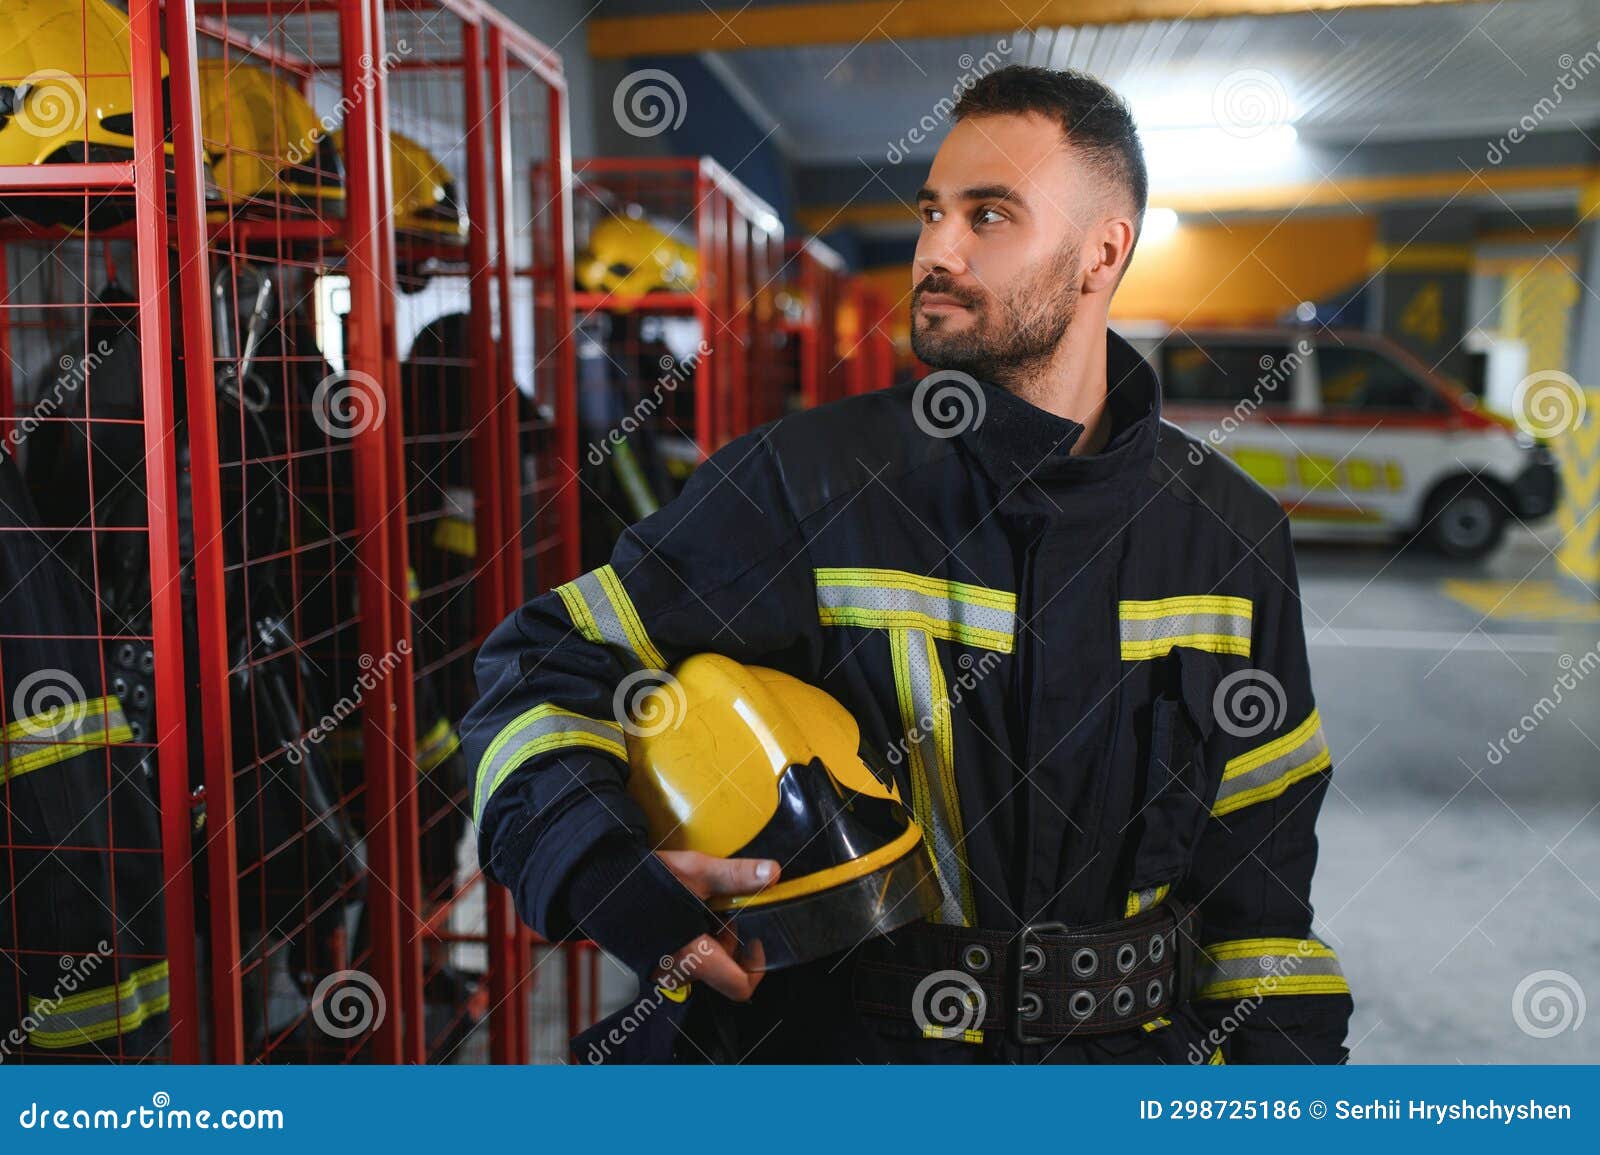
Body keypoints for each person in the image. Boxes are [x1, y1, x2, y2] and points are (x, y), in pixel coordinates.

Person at [461, 65, 1353, 1063]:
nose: (937, 247)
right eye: (933, 212)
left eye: (988, 216)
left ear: (1103, 251)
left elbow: (1263, 893)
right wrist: (598, 869)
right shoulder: (805, 484)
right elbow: (540, 666)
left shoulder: (1228, 536)